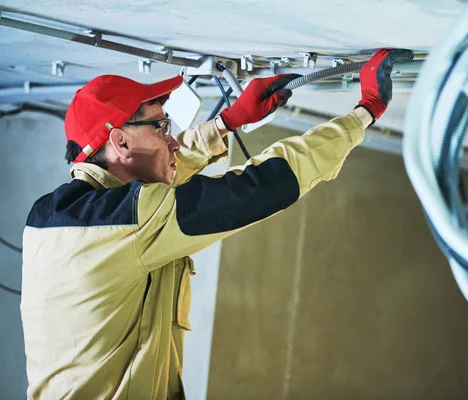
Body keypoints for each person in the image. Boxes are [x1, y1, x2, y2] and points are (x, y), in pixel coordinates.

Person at [20, 49, 404, 399]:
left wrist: (227, 122)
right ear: (119, 141)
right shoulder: (125, 221)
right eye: (162, 127)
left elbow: (156, 181)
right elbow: (261, 187)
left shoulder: (64, 215)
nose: (171, 141)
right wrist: (364, 113)